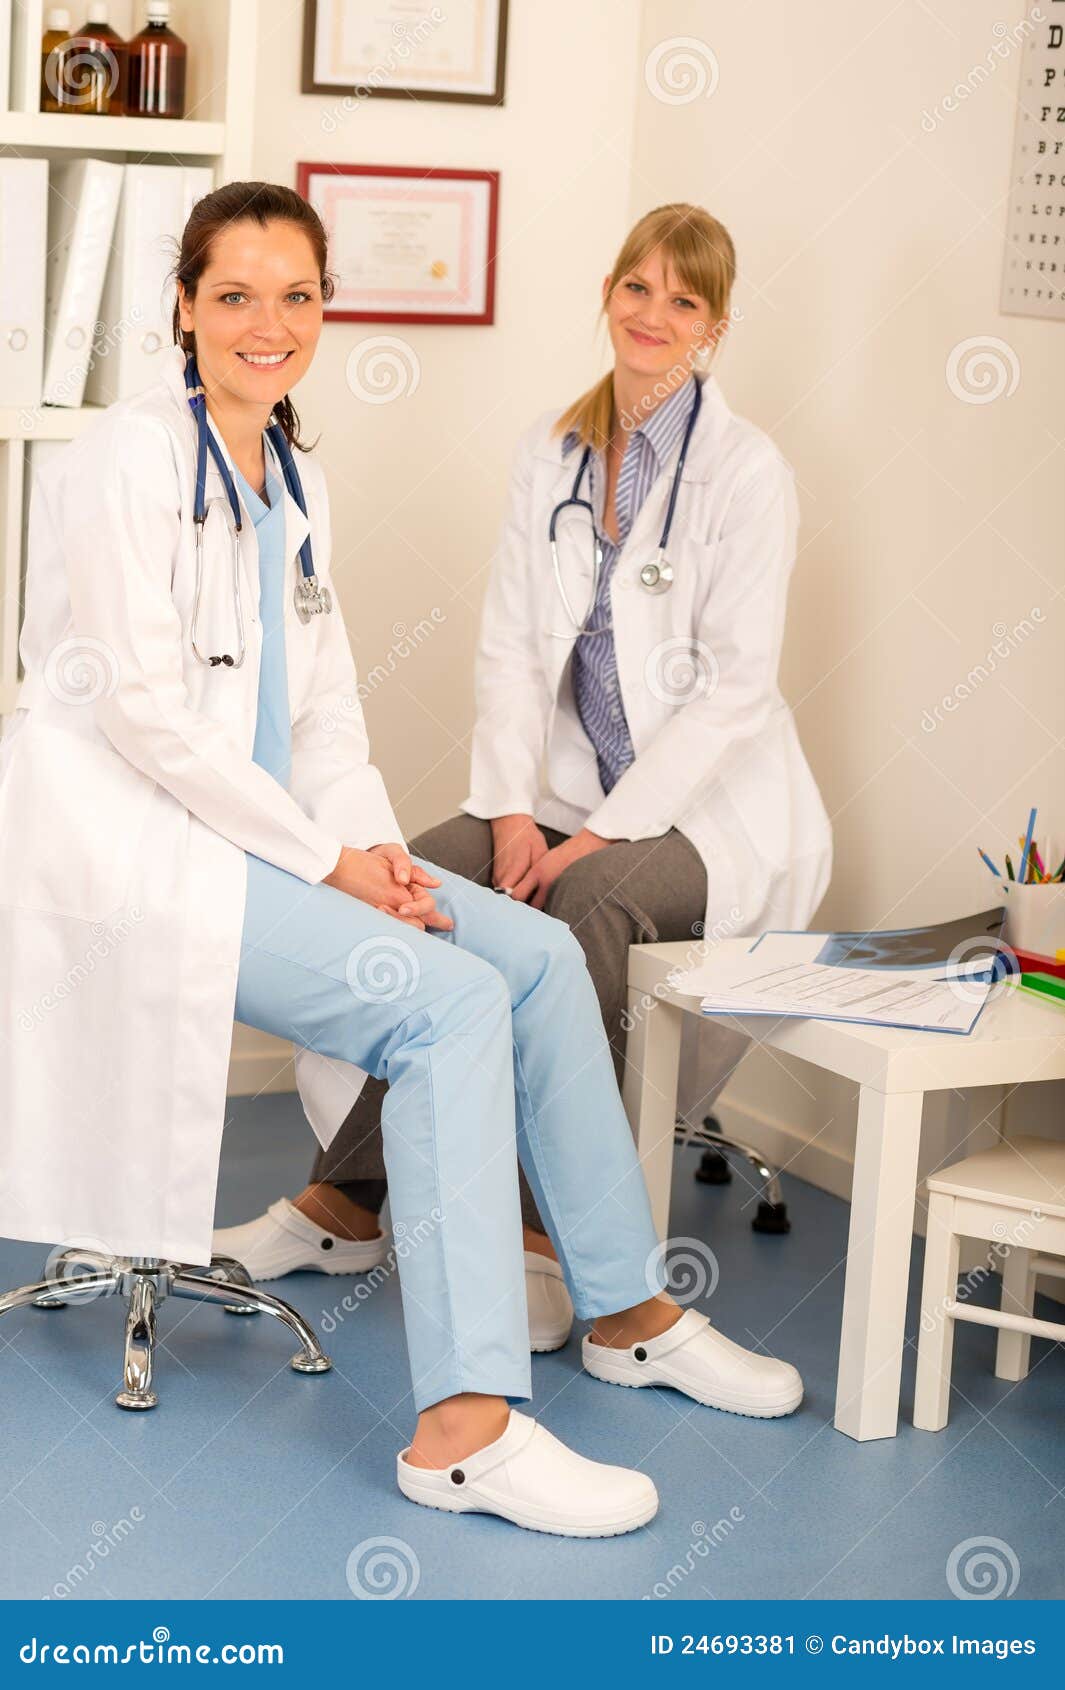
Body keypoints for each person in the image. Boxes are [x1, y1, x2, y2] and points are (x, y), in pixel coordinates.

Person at [0, 184, 803, 1539]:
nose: (270, 324)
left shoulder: (289, 472)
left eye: (298, 296)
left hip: (270, 845)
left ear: (324, 312)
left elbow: (319, 706)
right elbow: (141, 713)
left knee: (541, 955)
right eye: (237, 294)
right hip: (149, 860)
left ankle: (631, 1310)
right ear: (184, 306)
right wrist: (329, 860)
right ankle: (466, 1428)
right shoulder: (122, 461)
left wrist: (374, 846)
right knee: (443, 1006)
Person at [216, 202, 832, 1352]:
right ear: (609, 293)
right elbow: (506, 648)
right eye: (636, 286)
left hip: (705, 812)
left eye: (683, 300)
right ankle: (348, 1199)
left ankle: (542, 1236)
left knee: (582, 908)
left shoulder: (748, 473)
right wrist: (507, 810)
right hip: (548, 792)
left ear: (716, 327)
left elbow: (736, 692)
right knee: (409, 876)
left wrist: (599, 834)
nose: (653, 314)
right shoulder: (553, 449)